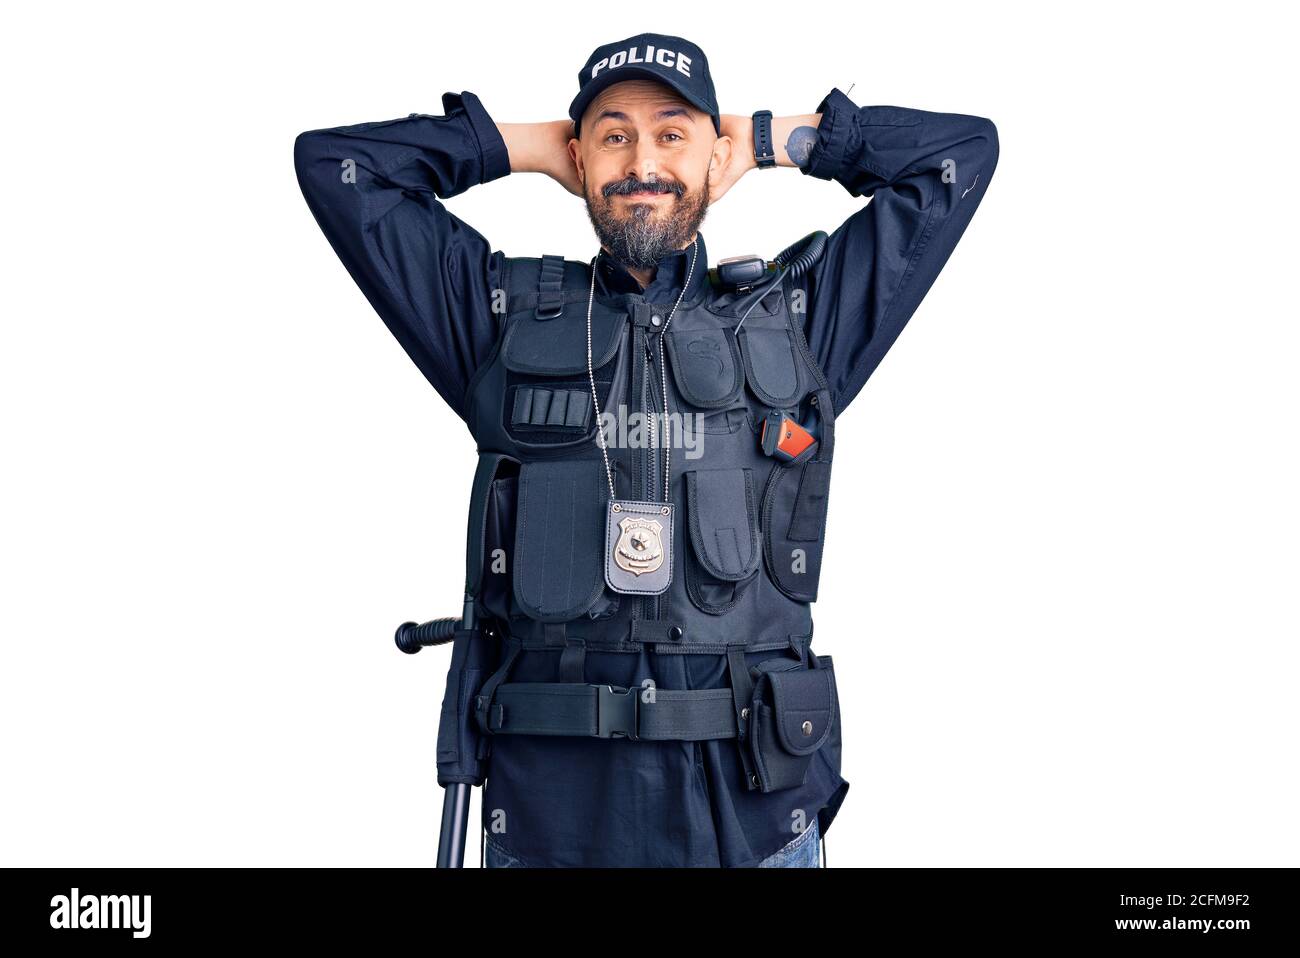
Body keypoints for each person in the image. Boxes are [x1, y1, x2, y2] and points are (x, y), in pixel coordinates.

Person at [295, 33, 998, 868]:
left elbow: (960, 155)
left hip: (752, 823)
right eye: (613, 135)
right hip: (556, 826)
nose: (642, 164)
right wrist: (515, 147)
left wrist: (774, 139)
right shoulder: (497, 316)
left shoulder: (801, 318)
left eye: (673, 134)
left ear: (715, 155)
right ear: (579, 158)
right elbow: (336, 168)